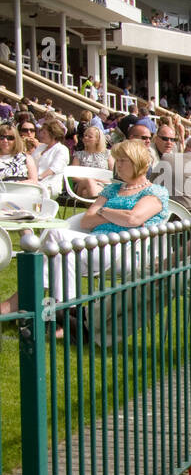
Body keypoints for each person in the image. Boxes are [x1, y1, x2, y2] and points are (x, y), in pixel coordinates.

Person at [0, 139, 167, 331]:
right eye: (117, 160)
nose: (117, 165)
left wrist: (103, 212)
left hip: (124, 248)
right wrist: (115, 217)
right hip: (93, 244)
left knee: (57, 244)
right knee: (63, 254)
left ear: (139, 163)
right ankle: (67, 318)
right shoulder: (112, 189)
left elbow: (132, 219)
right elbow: (87, 220)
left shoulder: (155, 192)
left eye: (123, 161)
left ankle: (24, 302)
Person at [33, 118, 70, 187]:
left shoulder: (62, 150)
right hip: (33, 182)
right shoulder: (40, 147)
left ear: (53, 134)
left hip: (49, 184)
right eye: (41, 132)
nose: (41, 135)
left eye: (44, 133)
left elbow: (54, 169)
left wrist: (37, 178)